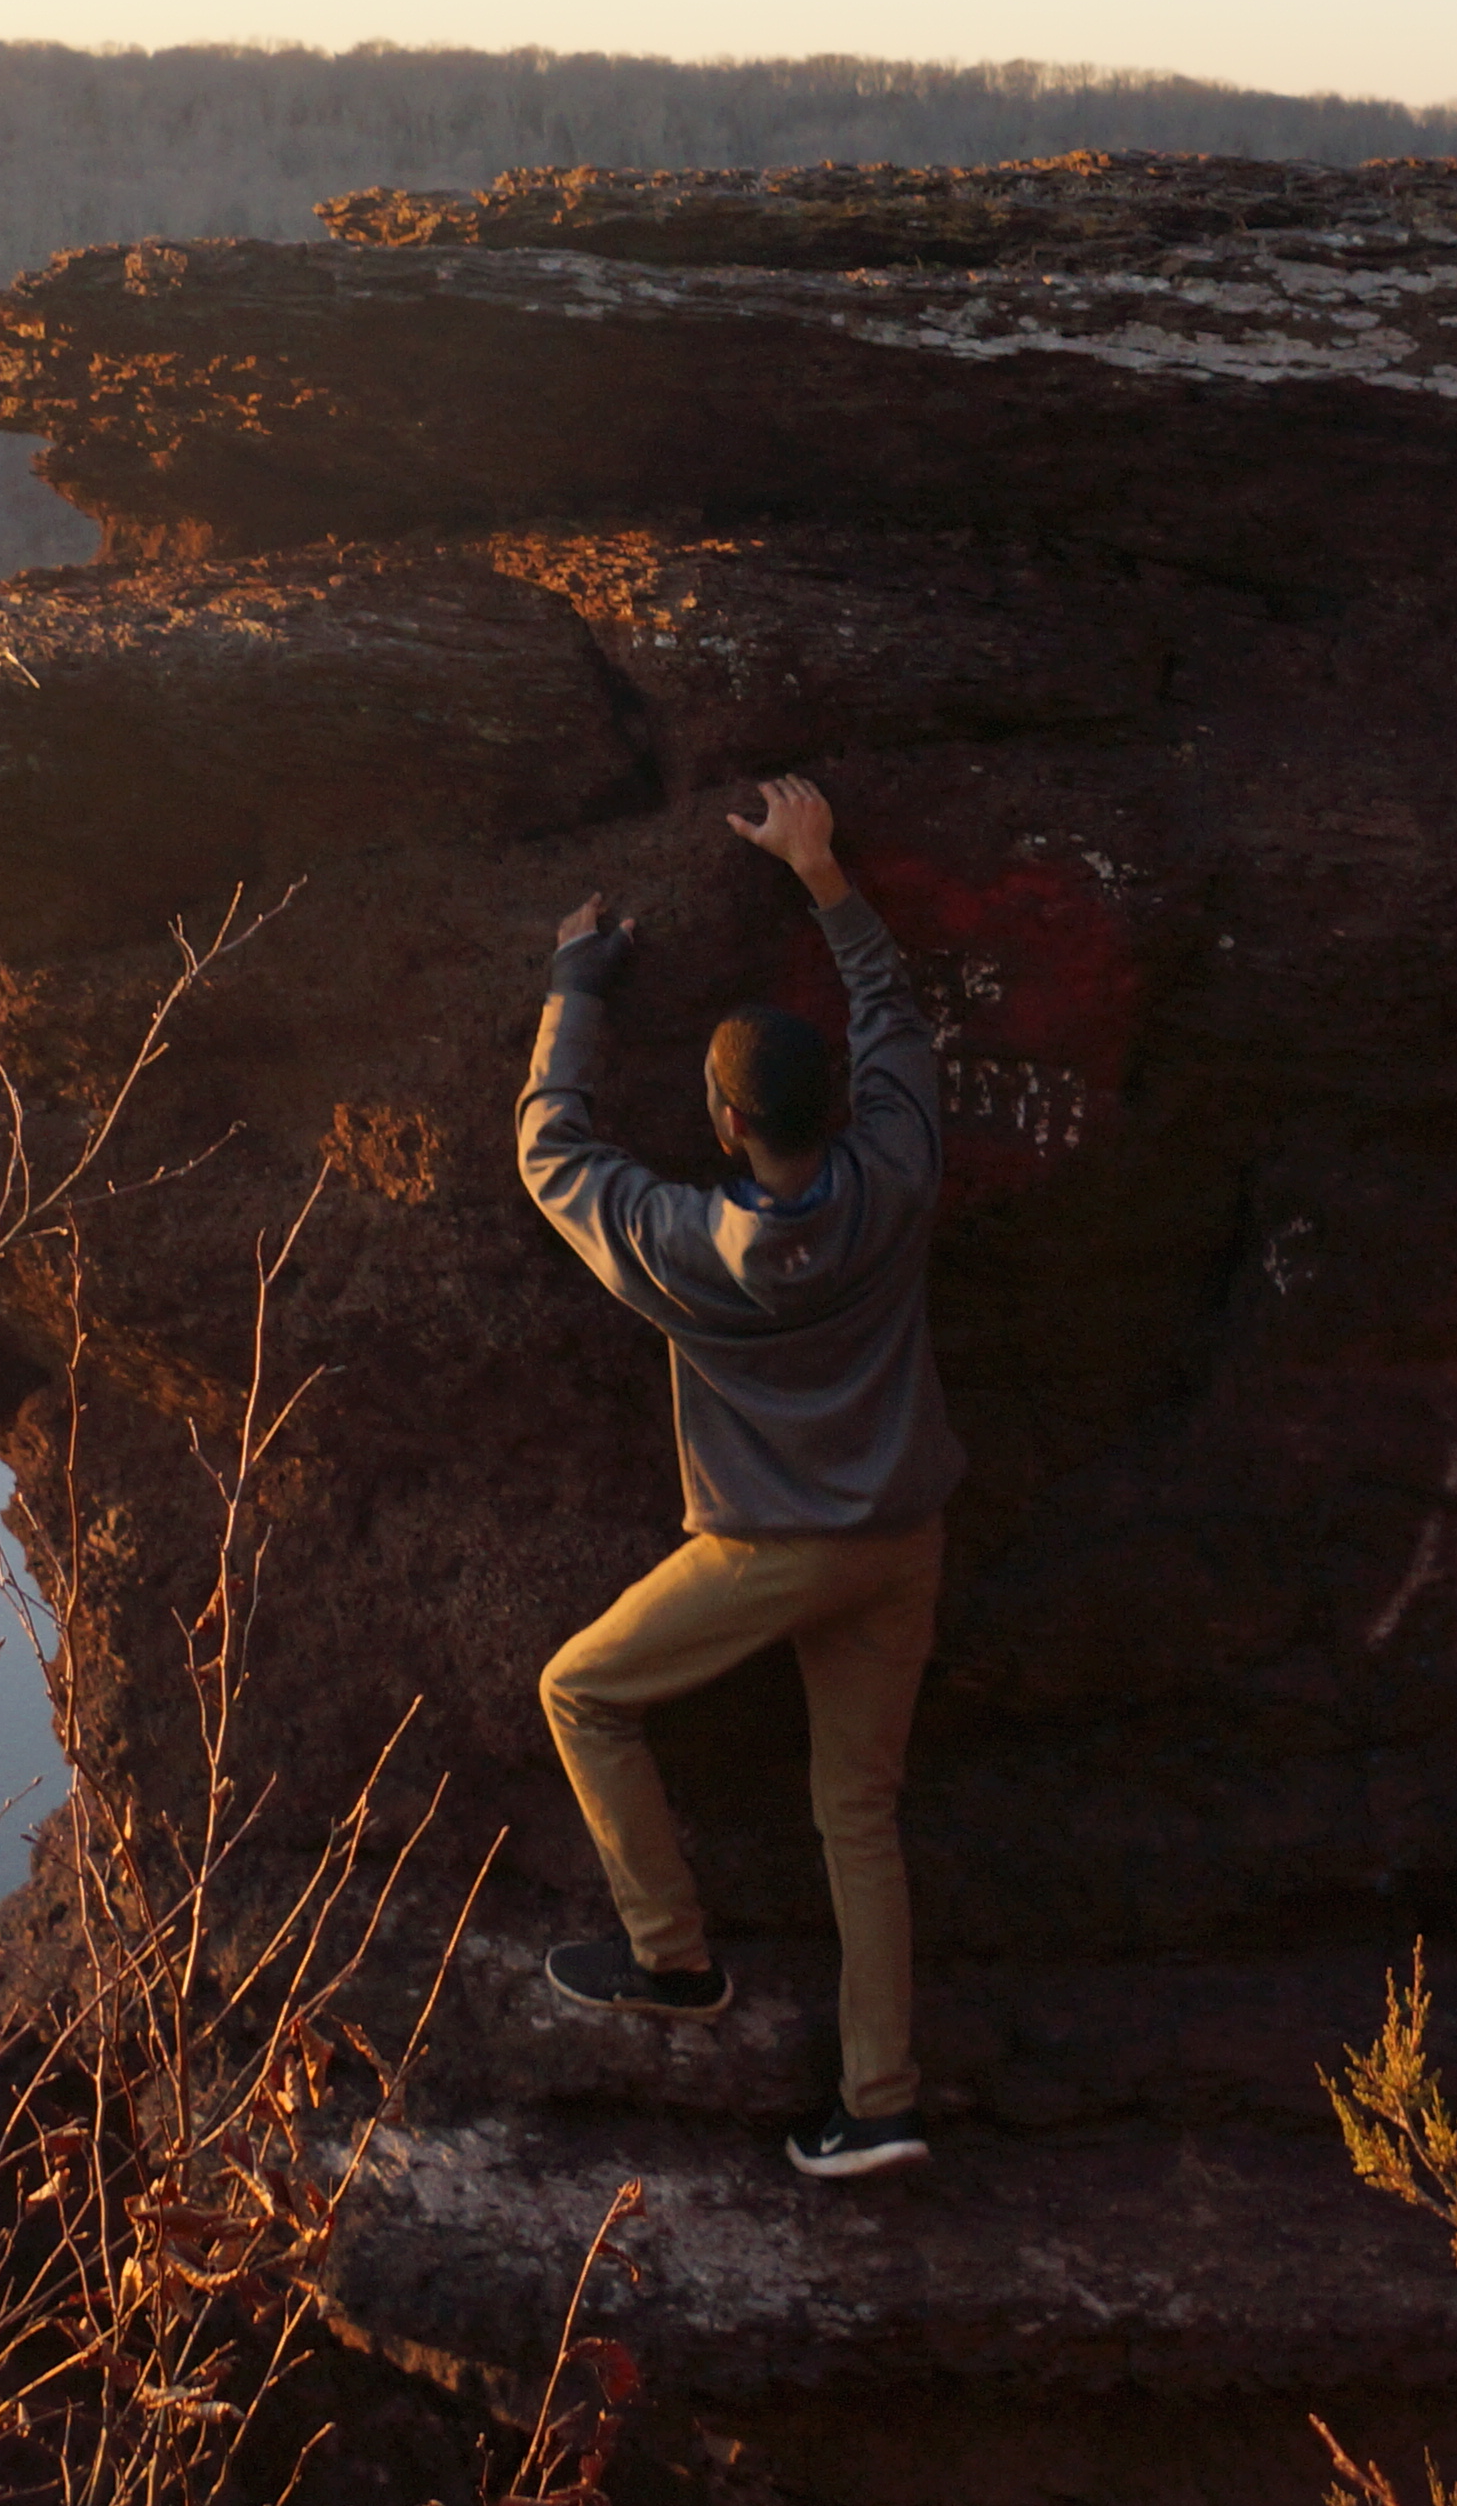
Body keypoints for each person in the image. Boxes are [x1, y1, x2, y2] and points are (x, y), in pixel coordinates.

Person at [521, 772, 960, 2182]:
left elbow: (551, 1148)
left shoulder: (674, 1239)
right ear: (831, 1102)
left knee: (580, 1692)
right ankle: (880, 2101)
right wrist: (820, 869)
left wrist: (578, 985)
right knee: (861, 1816)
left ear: (719, 1127)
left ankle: (673, 1962)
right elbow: (896, 1019)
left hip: (767, 1550)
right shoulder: (894, 1171)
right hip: (903, 1533)